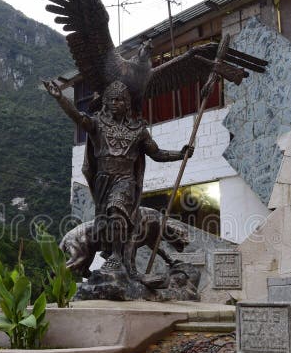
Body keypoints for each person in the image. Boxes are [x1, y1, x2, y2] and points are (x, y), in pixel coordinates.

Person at [43, 79, 193, 275]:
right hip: (103, 181)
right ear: (105, 102)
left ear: (127, 103)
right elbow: (79, 118)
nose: (115, 103)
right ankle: (109, 251)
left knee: (117, 211)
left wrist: (180, 154)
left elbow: (156, 153)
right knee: (104, 220)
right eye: (111, 100)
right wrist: (61, 99)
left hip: (125, 180)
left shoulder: (138, 130)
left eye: (119, 100)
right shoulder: (98, 124)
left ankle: (115, 256)